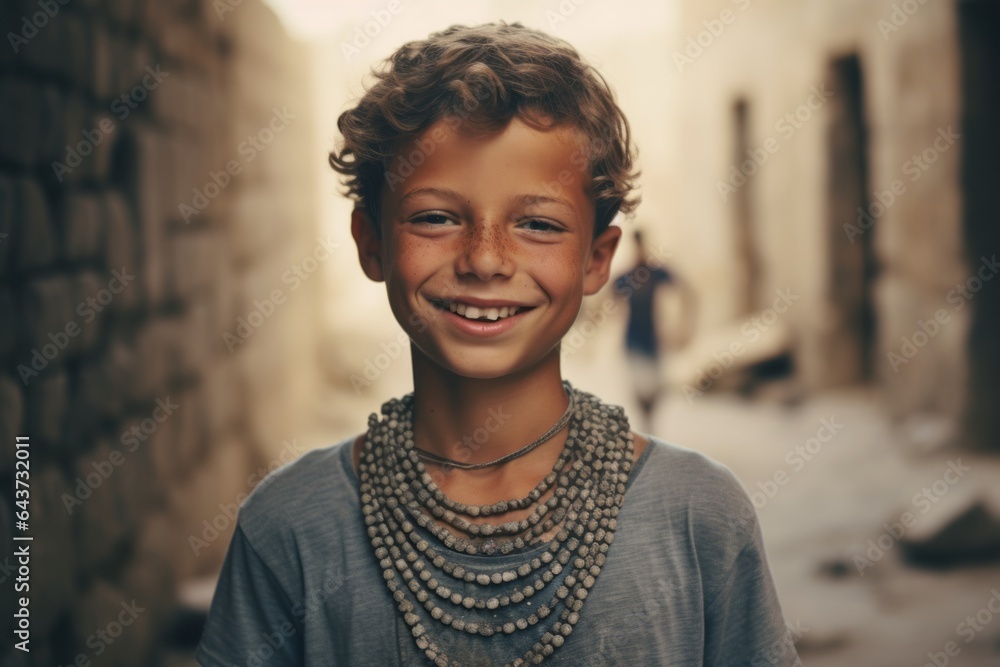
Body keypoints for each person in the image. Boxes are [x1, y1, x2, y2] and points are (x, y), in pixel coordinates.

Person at [196, 22, 799, 667]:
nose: (485, 260)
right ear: (372, 243)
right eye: (435, 217)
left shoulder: (699, 517)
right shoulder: (289, 531)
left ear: (597, 259)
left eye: (538, 224)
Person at [613, 229, 678, 430]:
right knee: (639, 383)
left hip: (651, 336)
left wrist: (678, 325)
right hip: (633, 337)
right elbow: (612, 296)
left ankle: (650, 423)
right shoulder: (628, 276)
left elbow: (679, 288)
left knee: (655, 384)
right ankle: (646, 424)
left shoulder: (655, 273)